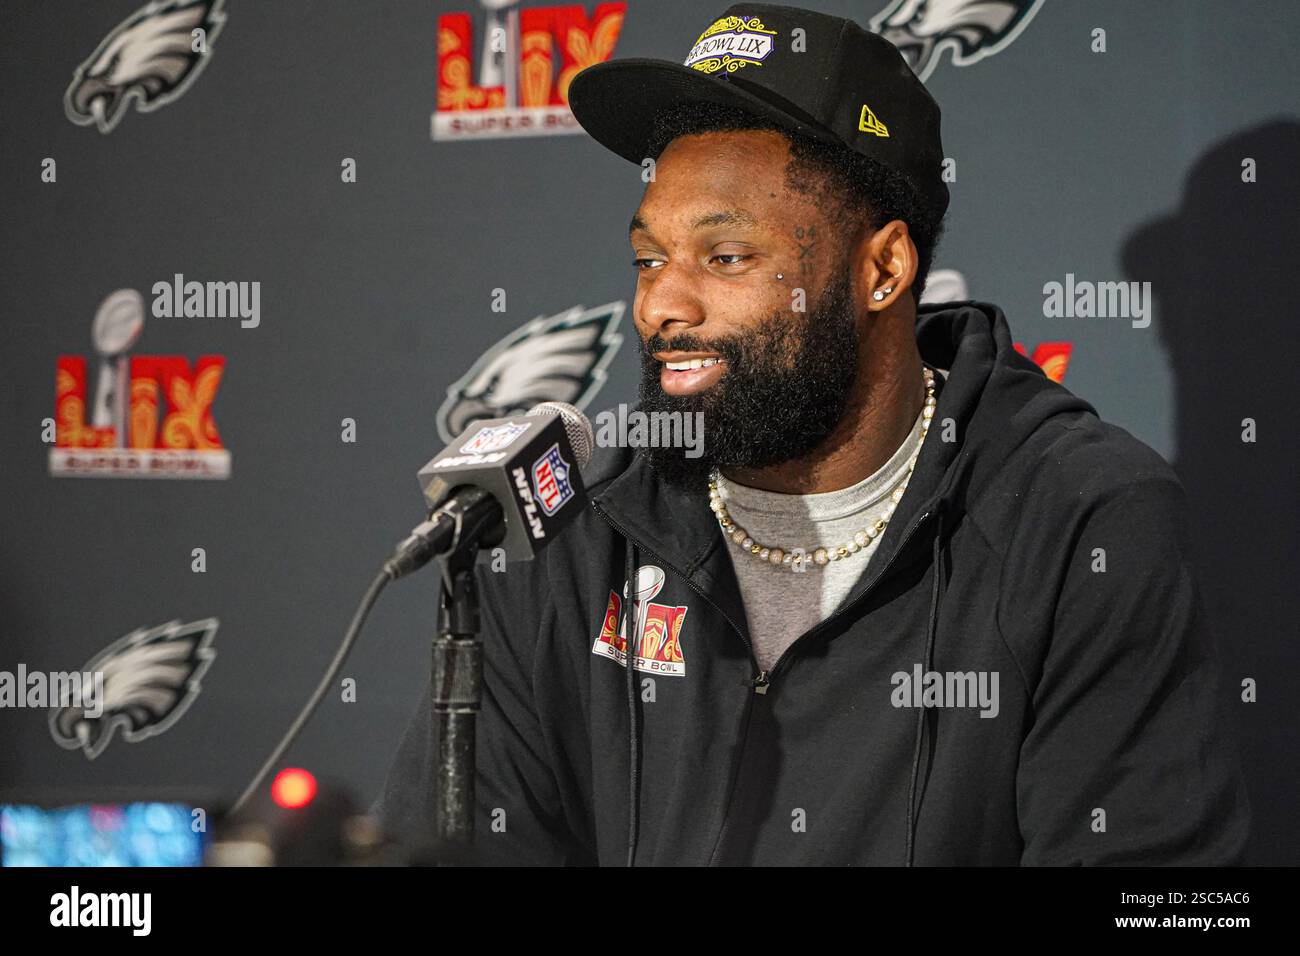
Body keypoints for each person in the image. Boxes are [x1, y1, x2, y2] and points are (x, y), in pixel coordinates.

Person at [375, 3, 1250, 865]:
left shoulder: (1076, 522)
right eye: (650, 258)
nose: (659, 306)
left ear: (882, 269)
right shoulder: (569, 529)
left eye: (726, 258)